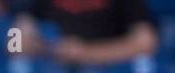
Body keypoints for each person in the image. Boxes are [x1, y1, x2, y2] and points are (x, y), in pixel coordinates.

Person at [13, 0, 157, 67]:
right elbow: (14, 43)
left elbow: (145, 43)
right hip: (52, 70)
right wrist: (50, 49)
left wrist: (87, 53)